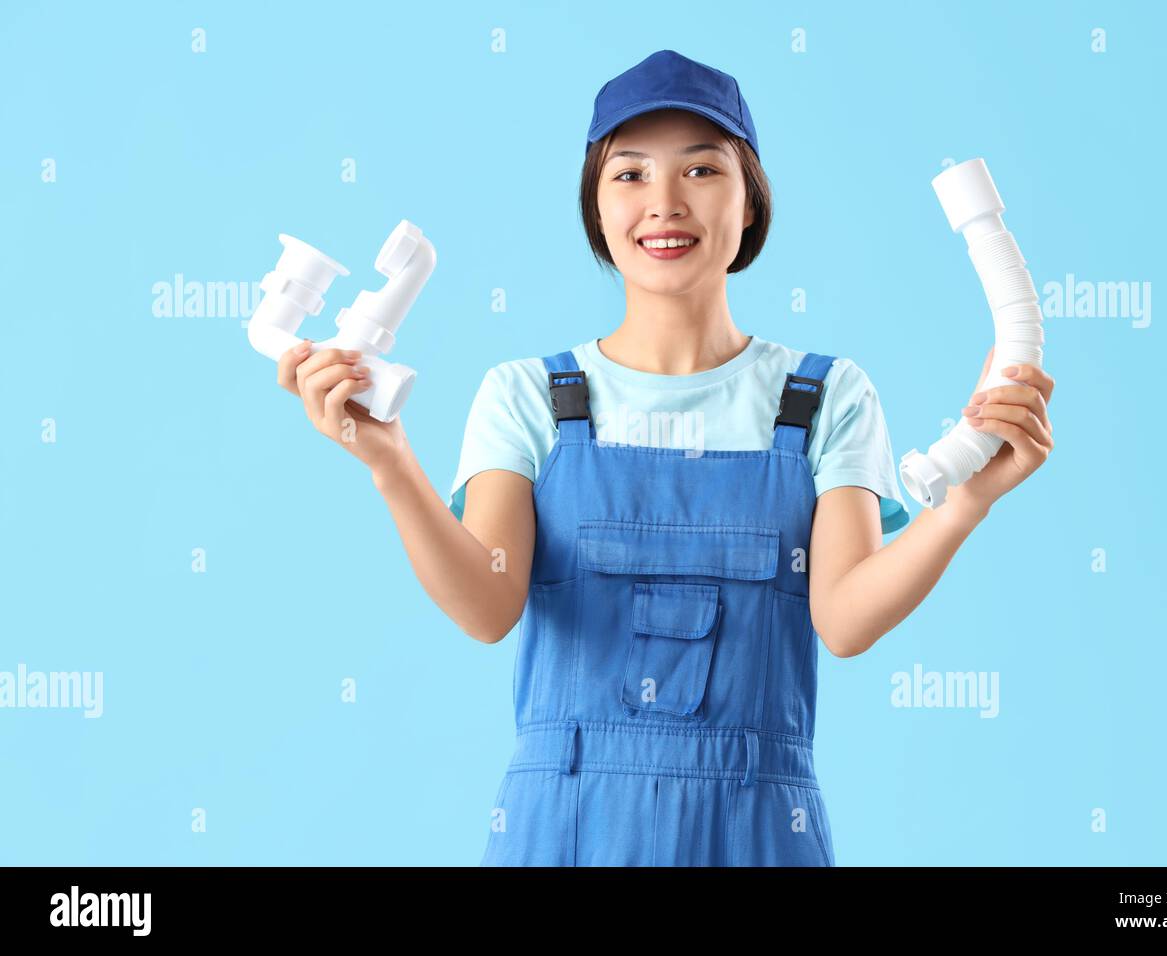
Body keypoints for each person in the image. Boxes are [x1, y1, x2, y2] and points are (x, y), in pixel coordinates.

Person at [273, 49, 1056, 866]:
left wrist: (965, 504)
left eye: (703, 169)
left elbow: (846, 619)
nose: (665, 204)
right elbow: (488, 606)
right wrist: (391, 463)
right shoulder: (528, 395)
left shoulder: (826, 396)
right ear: (597, 209)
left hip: (757, 832)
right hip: (566, 830)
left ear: (750, 202)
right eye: (631, 175)